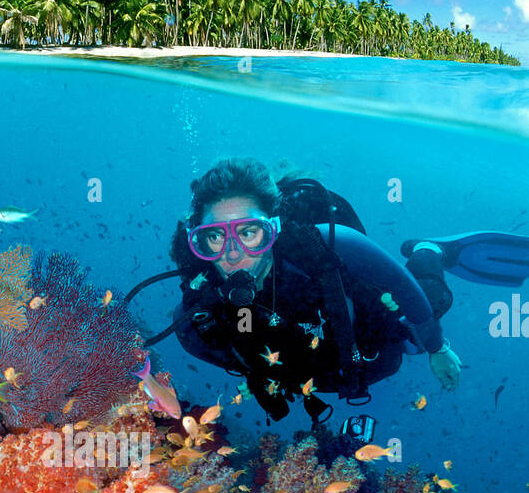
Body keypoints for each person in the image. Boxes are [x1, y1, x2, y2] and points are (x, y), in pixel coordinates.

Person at [161, 159, 461, 425]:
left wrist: (438, 348)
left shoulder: (328, 245)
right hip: (312, 370)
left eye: (249, 233)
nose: (233, 254)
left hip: (364, 336)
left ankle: (428, 251)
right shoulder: (196, 314)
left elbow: (403, 287)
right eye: (214, 236)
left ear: (273, 228)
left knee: (420, 320)